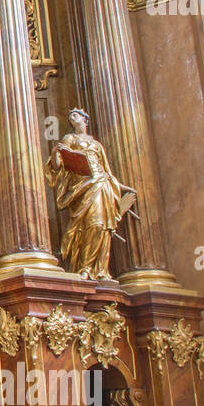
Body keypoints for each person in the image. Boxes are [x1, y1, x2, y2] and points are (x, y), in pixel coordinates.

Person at [45, 108, 129, 279]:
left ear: (85, 120)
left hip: (102, 184)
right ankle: (84, 268)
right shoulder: (70, 138)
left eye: (75, 115)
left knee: (102, 226)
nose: (72, 118)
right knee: (90, 225)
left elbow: (107, 171)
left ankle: (98, 270)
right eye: (70, 116)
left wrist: (122, 189)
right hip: (81, 186)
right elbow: (58, 165)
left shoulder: (97, 144)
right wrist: (56, 153)